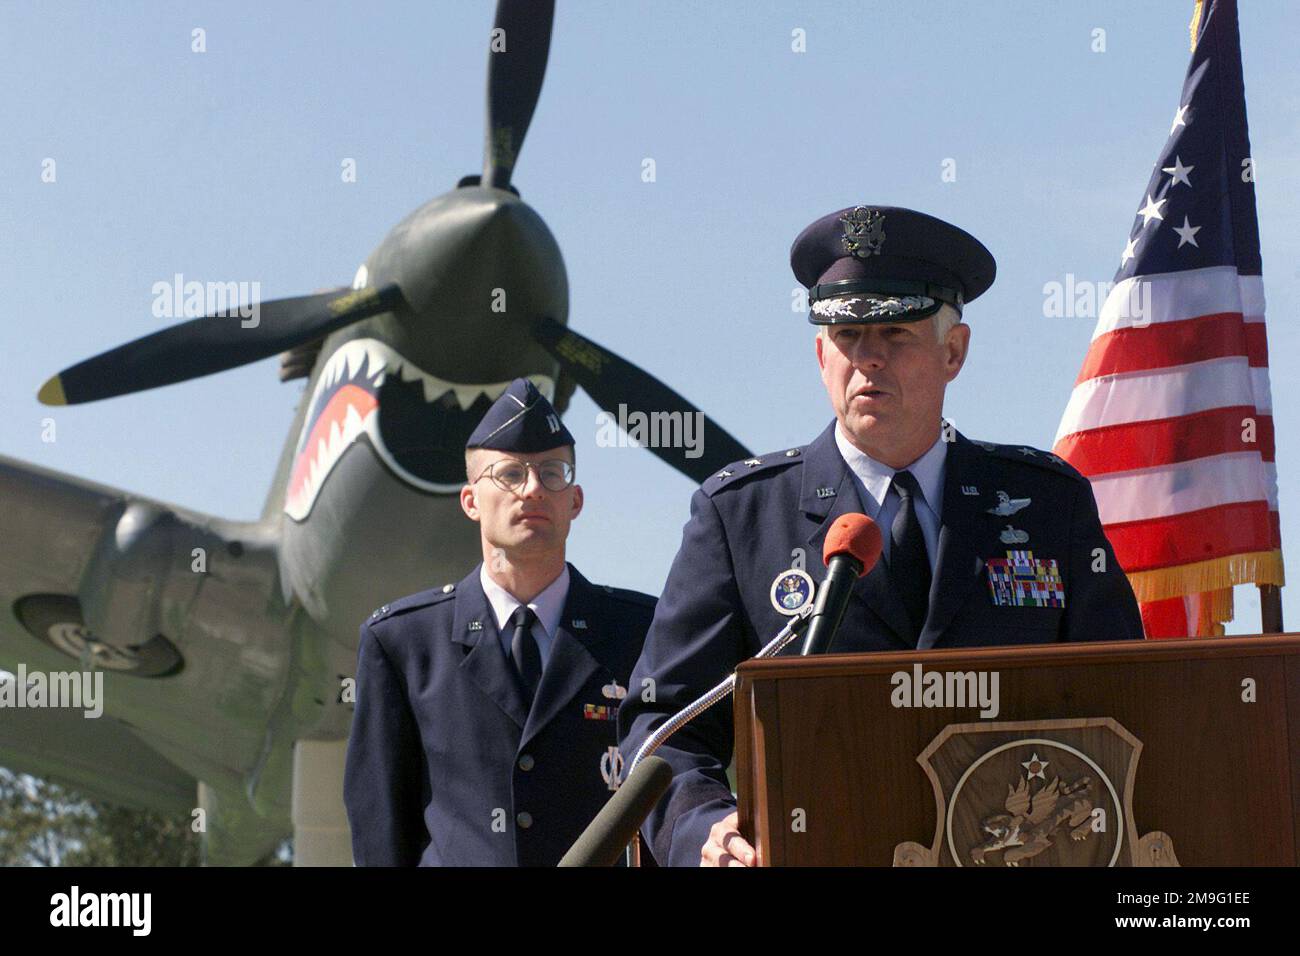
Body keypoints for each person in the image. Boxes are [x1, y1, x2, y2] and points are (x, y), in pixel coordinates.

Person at [619, 205, 1144, 868]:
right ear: (820, 355)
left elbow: (1128, 697)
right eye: (847, 337)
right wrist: (706, 830)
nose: (867, 358)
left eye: (894, 333)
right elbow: (664, 726)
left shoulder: (1047, 506)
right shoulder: (742, 515)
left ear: (953, 351)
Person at [344, 377, 656, 866]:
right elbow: (381, 827)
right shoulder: (404, 644)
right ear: (470, 501)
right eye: (509, 474)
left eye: (553, 473)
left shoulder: (641, 632)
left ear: (575, 500)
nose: (532, 489)